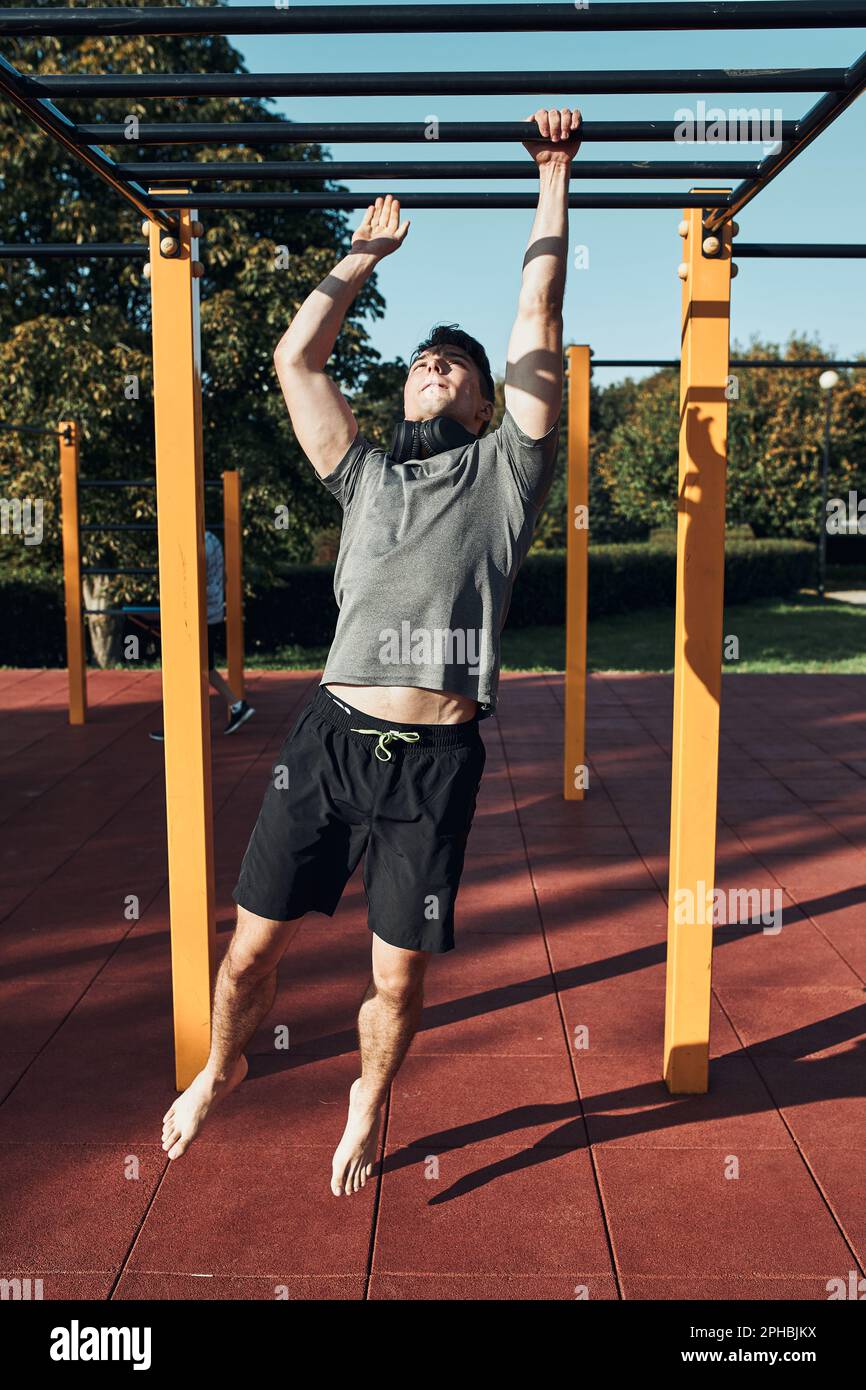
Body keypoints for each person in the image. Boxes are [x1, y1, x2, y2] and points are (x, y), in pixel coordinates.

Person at [161, 107, 581, 1196]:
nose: (435, 368)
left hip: (433, 767)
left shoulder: (505, 477)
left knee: (394, 982)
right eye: (423, 362)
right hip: (328, 740)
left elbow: (537, 308)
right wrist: (356, 256)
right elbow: (294, 356)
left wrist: (551, 174)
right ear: (403, 389)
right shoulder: (364, 475)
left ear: (489, 403)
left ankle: (368, 1090)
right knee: (250, 953)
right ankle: (222, 1064)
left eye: (458, 367)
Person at [149, 528, 255, 739]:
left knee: (184, 666)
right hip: (213, 610)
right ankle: (236, 705)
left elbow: (190, 578)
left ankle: (179, 723)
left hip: (199, 613)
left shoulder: (196, 545)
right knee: (205, 666)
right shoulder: (212, 539)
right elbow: (223, 577)